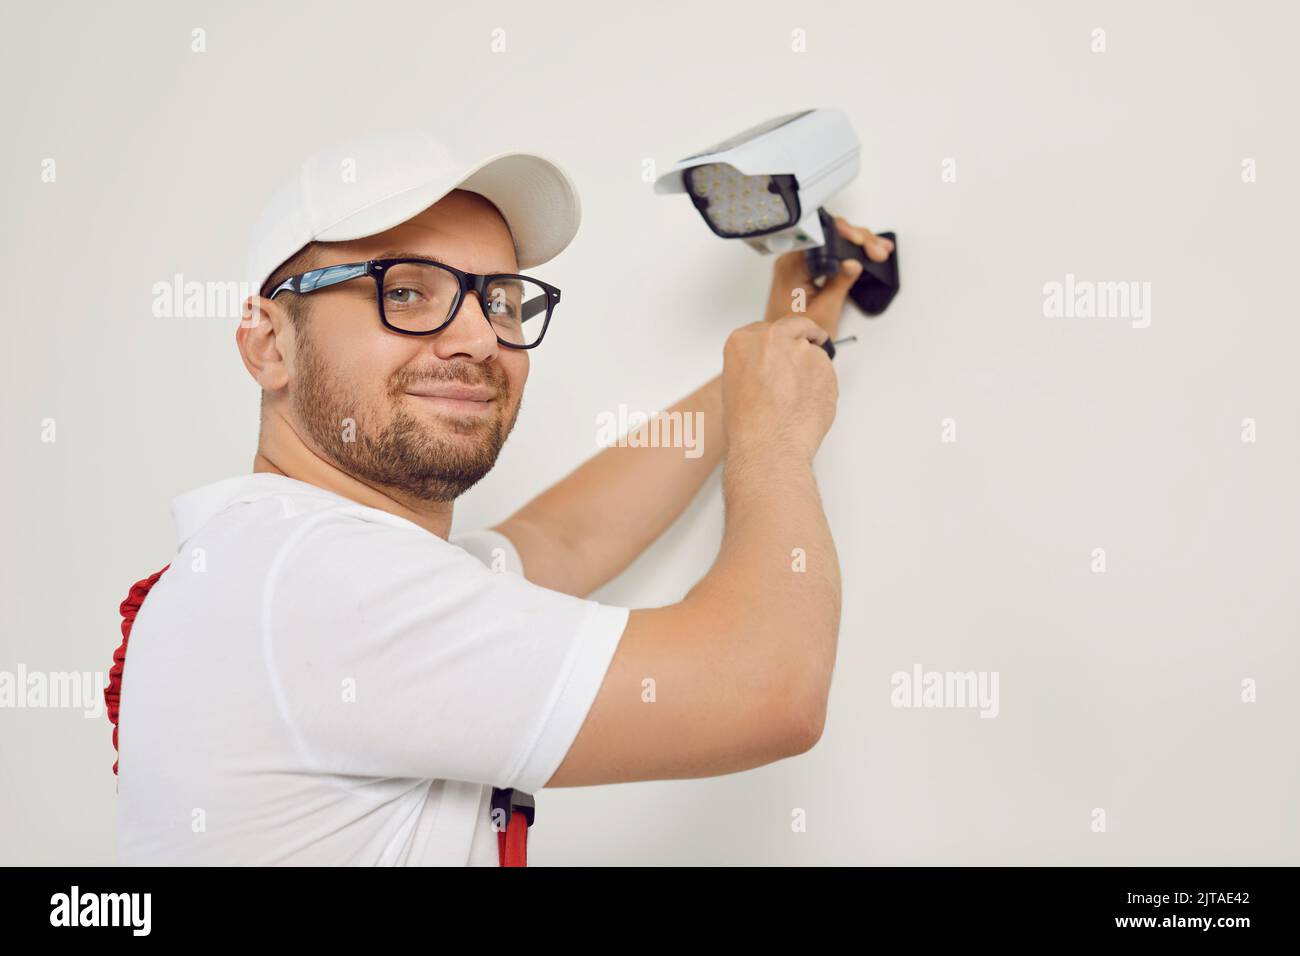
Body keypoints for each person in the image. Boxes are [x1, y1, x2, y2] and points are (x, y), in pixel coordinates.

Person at [109, 129, 895, 865]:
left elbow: (569, 538)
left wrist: (771, 353)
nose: (479, 339)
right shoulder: (321, 583)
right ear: (269, 343)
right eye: (407, 291)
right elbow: (768, 686)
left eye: (500, 300)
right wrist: (776, 441)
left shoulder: (274, 561)